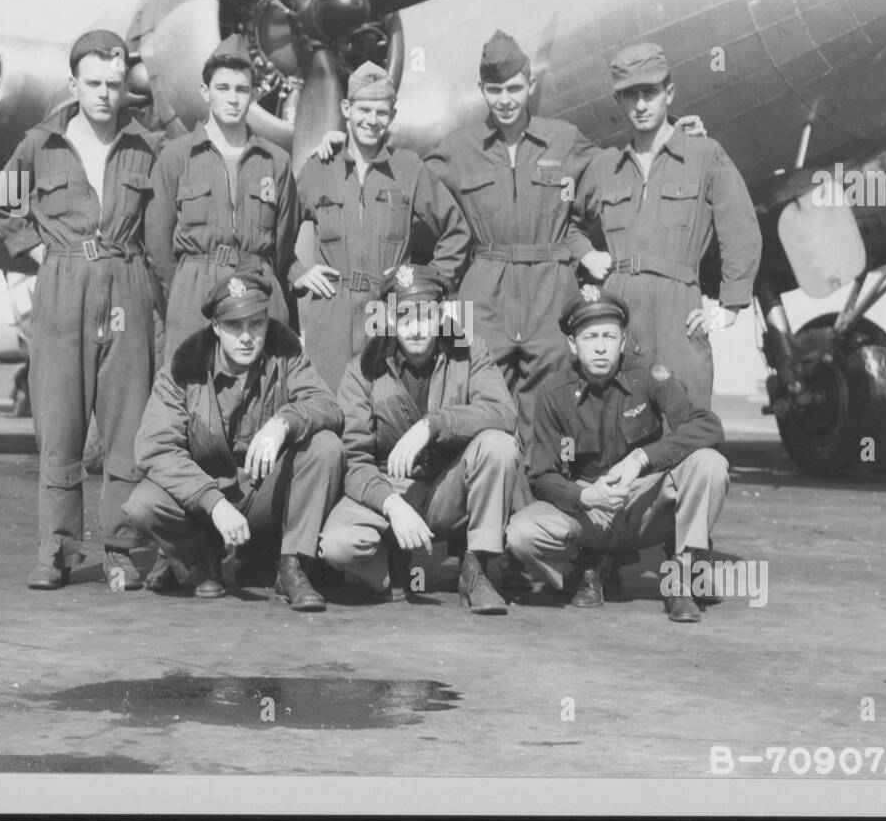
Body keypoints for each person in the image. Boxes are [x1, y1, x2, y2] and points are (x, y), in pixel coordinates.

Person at [0, 29, 162, 592]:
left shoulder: (146, 146)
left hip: (127, 281)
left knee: (126, 426)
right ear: (74, 84)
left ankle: (122, 550)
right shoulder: (41, 143)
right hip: (64, 284)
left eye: (115, 84)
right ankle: (56, 550)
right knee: (60, 424)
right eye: (94, 84)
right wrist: (35, 248)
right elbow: (0, 198)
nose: (106, 95)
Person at [423, 30, 609, 449]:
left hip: (551, 290)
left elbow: (615, 176)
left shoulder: (565, 139)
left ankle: (535, 505)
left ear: (531, 86)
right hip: (484, 290)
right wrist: (348, 145)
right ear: (481, 91)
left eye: (513, 88)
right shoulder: (458, 147)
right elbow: (407, 185)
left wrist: (677, 136)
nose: (505, 99)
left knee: (549, 406)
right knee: (479, 400)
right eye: (495, 90)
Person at [125, 268, 345, 611]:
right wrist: (214, 503)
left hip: (261, 493)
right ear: (215, 327)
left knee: (326, 445)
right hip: (204, 497)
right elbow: (155, 449)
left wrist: (282, 423)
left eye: (256, 324)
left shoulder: (285, 352)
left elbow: (328, 407)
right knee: (143, 504)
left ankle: (292, 564)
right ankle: (202, 555)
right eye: (234, 326)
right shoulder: (184, 368)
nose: (247, 337)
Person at [505, 286, 729, 622]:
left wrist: (641, 459)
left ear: (623, 342)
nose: (599, 346)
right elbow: (541, 477)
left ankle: (680, 579)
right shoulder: (554, 393)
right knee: (522, 534)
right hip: (590, 513)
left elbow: (708, 427)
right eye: (590, 336)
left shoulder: (649, 375)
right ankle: (585, 567)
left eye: (609, 336)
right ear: (572, 345)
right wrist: (585, 494)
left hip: (644, 506)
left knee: (710, 464)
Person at [319, 265, 521, 613]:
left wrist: (433, 425)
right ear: (388, 320)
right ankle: (391, 568)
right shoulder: (362, 370)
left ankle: (477, 568)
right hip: (389, 489)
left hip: (448, 487)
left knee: (499, 446)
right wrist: (391, 504)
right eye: (403, 317)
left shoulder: (470, 352)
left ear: (441, 315)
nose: (414, 328)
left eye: (425, 316)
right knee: (337, 545)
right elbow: (355, 459)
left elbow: (503, 412)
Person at [584, 42, 761, 409]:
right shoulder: (605, 167)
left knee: (686, 427)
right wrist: (584, 254)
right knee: (620, 430)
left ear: (670, 93)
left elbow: (740, 229)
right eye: (629, 95)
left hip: (678, 313)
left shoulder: (705, 155)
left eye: (649, 92)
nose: (641, 104)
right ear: (618, 102)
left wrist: (730, 306)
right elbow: (561, 216)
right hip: (619, 311)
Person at [292, 62, 471, 391]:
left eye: (381, 112)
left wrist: (425, 288)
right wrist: (298, 273)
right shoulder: (319, 168)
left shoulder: (408, 169)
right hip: (330, 313)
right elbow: (278, 228)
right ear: (346, 108)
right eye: (363, 109)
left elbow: (456, 230)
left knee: (384, 408)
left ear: (392, 114)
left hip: (386, 312)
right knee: (328, 411)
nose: (371, 121)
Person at [144, 35, 298, 359]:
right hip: (195, 292)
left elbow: (283, 241)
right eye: (223, 88)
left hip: (258, 289)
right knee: (194, 395)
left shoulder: (276, 161)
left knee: (260, 397)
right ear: (205, 92)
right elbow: (157, 243)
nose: (233, 98)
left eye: (242, 90)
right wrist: (185, 288)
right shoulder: (176, 156)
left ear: (253, 95)